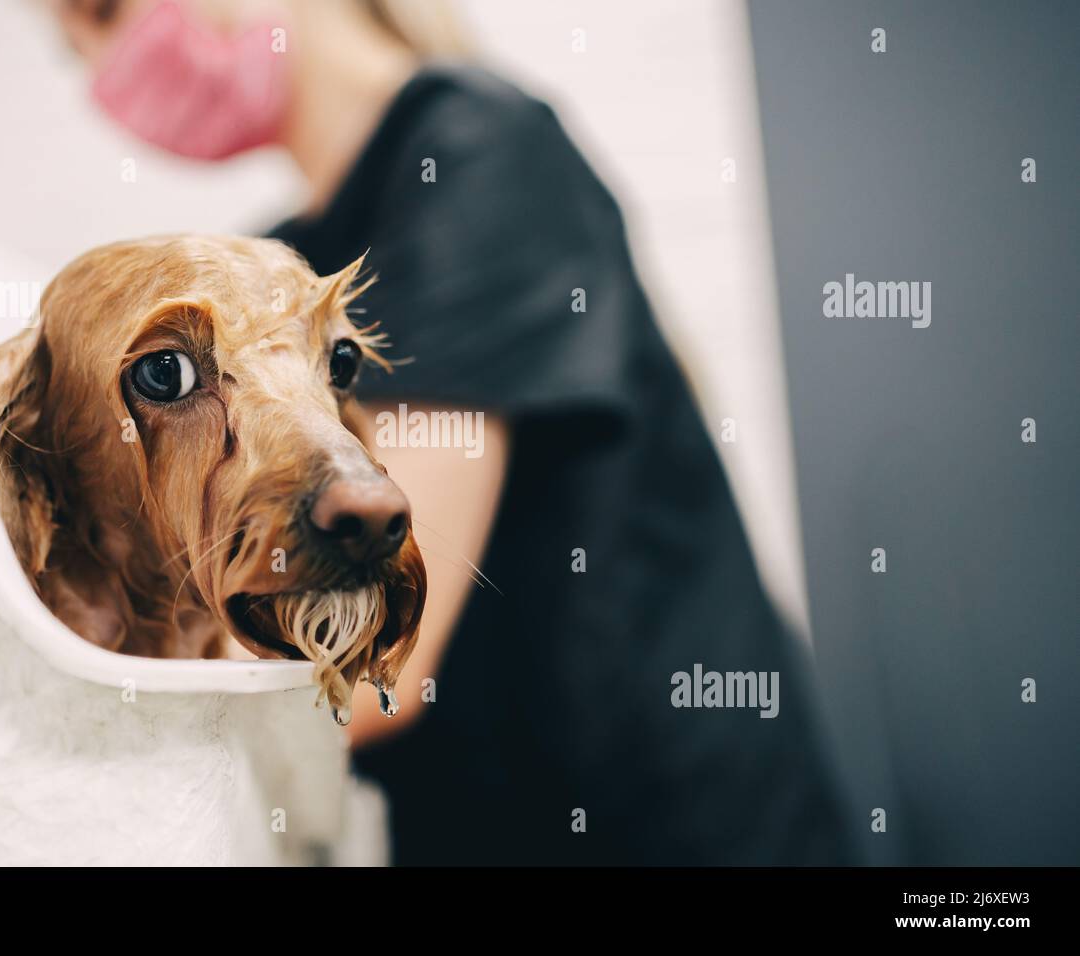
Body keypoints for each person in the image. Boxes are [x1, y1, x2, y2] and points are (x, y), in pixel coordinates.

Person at [55, 0, 854, 864]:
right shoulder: (287, 256)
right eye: (76, 54)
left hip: (663, 821)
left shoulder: (479, 154)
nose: (104, 74)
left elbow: (373, 673)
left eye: (101, 12)